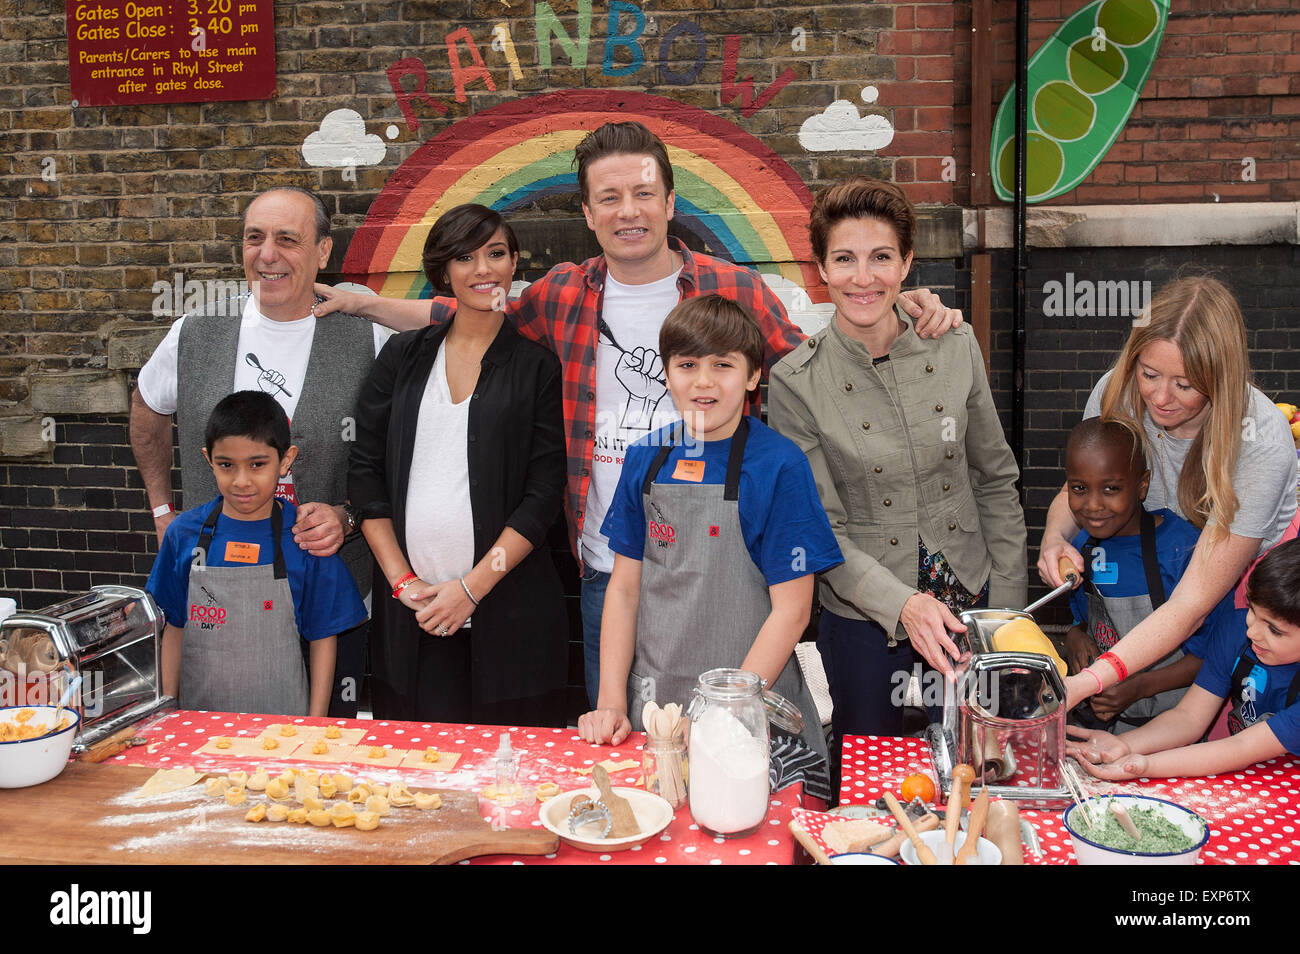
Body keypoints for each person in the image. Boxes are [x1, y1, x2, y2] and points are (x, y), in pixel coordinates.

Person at [314, 121, 962, 706]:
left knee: (729, 740)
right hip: (609, 576)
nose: (630, 211)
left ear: (671, 203)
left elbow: (813, 369)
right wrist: (362, 305)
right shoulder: (562, 293)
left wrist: (896, 311)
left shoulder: (732, 288)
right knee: (626, 749)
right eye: (610, 198)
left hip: (724, 578)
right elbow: (468, 315)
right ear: (589, 214)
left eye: (644, 193)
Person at [768, 176, 1028, 748]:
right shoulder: (795, 383)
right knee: (872, 779)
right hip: (863, 616)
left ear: (907, 263)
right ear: (821, 269)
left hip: (970, 597)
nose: (864, 278)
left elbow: (995, 479)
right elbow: (819, 529)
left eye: (881, 257)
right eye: (845, 259)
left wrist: (1008, 613)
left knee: (979, 768)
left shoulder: (953, 344)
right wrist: (902, 605)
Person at [131, 186, 389, 718]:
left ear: (323, 252)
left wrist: (351, 515)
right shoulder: (196, 331)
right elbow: (148, 404)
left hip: (330, 588)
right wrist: (162, 512)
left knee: (322, 756)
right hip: (216, 599)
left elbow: (400, 455)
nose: (267, 254)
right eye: (255, 238)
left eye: (287, 239)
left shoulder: (369, 338)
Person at [577, 295, 842, 798]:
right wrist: (611, 701)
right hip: (658, 712)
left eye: (723, 365)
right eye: (687, 365)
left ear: (751, 376)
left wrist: (726, 714)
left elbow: (793, 611)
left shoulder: (779, 466)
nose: (703, 381)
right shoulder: (645, 459)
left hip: (754, 710)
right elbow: (624, 590)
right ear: (667, 373)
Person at [347, 204, 569, 726]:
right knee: (422, 782)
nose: (483, 269)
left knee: (510, 782)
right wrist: (403, 585)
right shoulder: (400, 358)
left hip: (510, 621)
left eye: (495, 253)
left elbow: (543, 493)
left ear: (515, 263)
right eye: (464, 257)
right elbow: (365, 475)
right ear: (444, 272)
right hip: (413, 620)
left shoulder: (536, 366)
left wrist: (472, 589)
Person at [1036, 276, 1298, 711]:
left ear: (1221, 377)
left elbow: (1193, 602)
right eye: (1150, 374)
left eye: (1185, 384)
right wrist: (1053, 537)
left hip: (1242, 593)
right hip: (1151, 565)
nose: (1160, 397)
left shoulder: (1261, 439)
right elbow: (1077, 487)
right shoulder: (1115, 392)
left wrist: (1091, 681)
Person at [147, 391, 366, 716]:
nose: (241, 481)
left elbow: (323, 637)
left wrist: (315, 722)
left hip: (285, 728)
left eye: (257, 465)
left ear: (286, 460)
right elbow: (174, 627)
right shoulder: (183, 534)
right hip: (199, 726)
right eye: (226, 465)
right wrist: (165, 710)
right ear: (209, 459)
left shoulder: (305, 536)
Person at [1061, 418, 1242, 731]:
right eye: (1079, 488)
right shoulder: (1082, 548)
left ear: (1142, 485)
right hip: (1101, 728)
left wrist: (1138, 687)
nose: (1092, 505)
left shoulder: (1184, 550)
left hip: (1171, 728)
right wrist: (1074, 636)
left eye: (1110, 489)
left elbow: (1212, 654)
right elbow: (1085, 621)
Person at [1066, 538, 1300, 779]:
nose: (1252, 632)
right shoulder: (1236, 630)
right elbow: (1189, 717)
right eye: (1252, 609)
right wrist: (1125, 745)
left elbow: (1240, 748)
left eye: (1274, 630)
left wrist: (1147, 766)